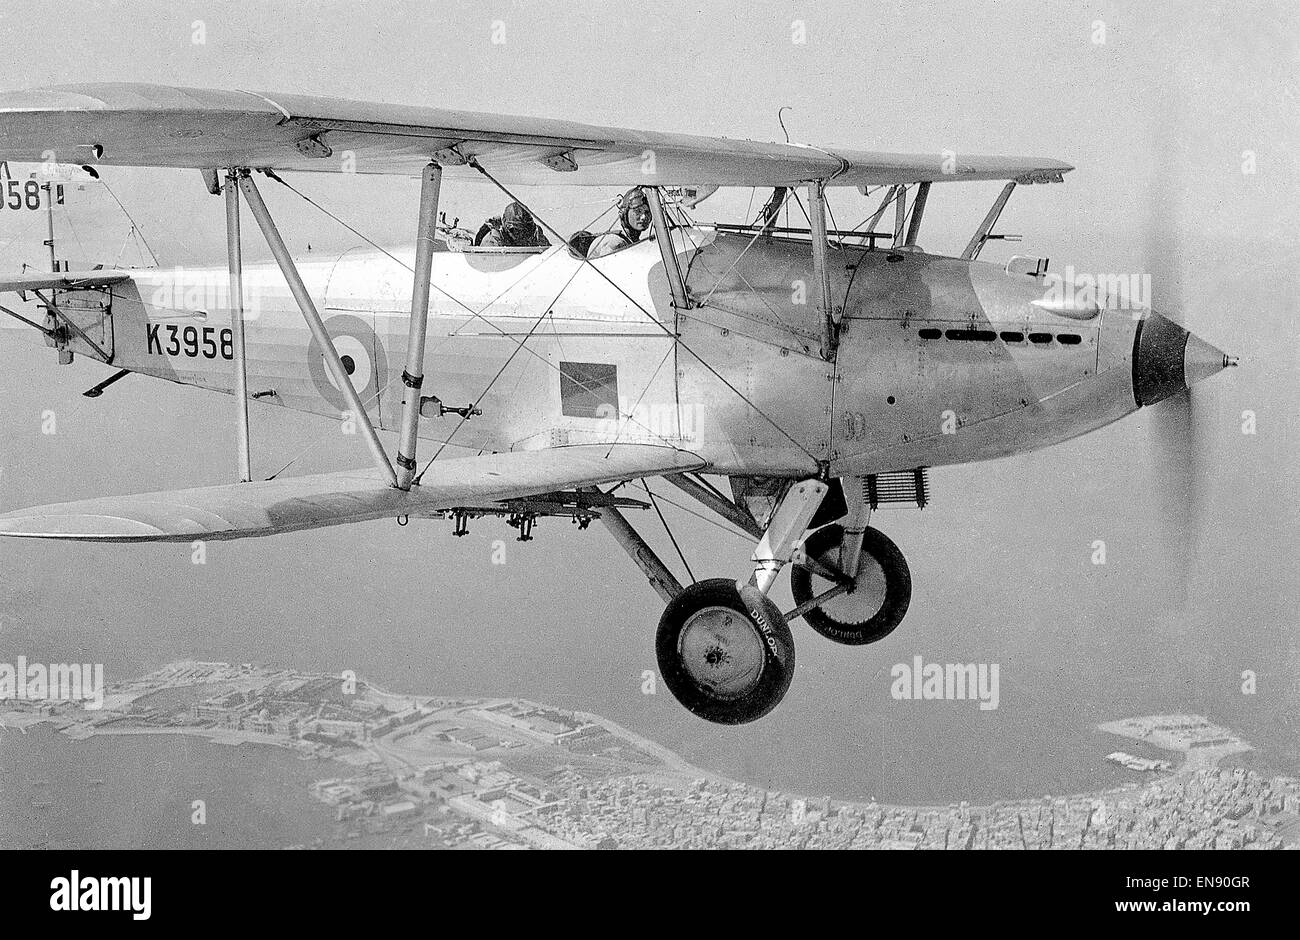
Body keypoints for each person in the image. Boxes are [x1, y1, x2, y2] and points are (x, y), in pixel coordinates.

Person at [587, 187, 653, 259]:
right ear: (625, 213)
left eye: (647, 212)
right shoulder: (615, 243)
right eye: (638, 211)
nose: (643, 217)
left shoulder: (631, 241)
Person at [478, 201, 550, 248]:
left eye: (526, 230)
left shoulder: (536, 234)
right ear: (506, 227)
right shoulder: (492, 241)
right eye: (516, 230)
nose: (522, 235)